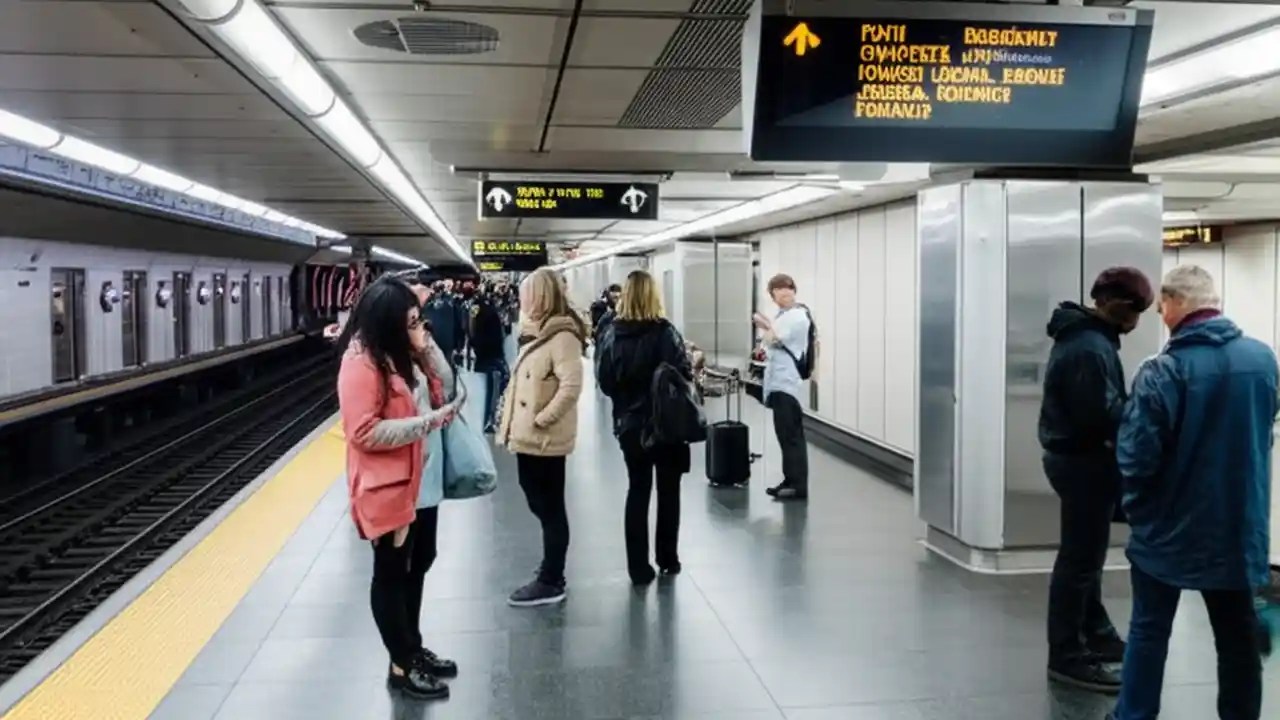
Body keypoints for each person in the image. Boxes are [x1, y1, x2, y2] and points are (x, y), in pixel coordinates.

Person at [1108, 265, 1277, 720]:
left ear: (1176, 303)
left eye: (1162, 306)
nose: (1162, 315)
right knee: (1236, 635)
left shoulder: (1164, 371)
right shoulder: (1263, 360)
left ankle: (1134, 715)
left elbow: (1137, 457)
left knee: (1149, 630)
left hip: (1168, 528)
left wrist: (1138, 512)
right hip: (1238, 526)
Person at [335, 277, 458, 701]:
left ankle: (413, 645)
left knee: (420, 560)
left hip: (418, 477)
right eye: (410, 321)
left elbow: (447, 382)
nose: (418, 327)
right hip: (388, 485)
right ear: (387, 322)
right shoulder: (361, 363)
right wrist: (423, 425)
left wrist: (425, 347)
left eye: (418, 319)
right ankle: (401, 664)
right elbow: (362, 430)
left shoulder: (404, 353)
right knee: (390, 573)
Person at [1037, 266, 1154, 693]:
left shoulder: (1086, 338)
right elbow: (1100, 415)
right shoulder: (1089, 347)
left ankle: (1097, 633)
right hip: (1083, 463)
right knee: (1079, 561)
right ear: (1120, 307)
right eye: (1137, 311)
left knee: (1087, 558)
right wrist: (1141, 409)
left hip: (1077, 460)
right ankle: (1066, 655)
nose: (1139, 321)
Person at [596, 270, 694, 584]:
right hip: (666, 425)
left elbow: (605, 382)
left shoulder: (611, 333)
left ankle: (637, 568)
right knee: (669, 492)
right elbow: (682, 374)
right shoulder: (666, 332)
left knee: (637, 490)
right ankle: (668, 558)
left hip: (629, 425)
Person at [497, 267, 587, 607]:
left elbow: (571, 386)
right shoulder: (536, 331)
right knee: (537, 500)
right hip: (529, 439)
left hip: (544, 440)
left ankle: (552, 578)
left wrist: (541, 419)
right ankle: (551, 568)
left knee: (550, 508)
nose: (520, 301)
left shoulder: (562, 336)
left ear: (540, 296)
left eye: (526, 294)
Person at [753, 273, 811, 500]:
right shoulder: (783, 315)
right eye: (779, 290)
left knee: (791, 436)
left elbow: (774, 339)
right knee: (784, 435)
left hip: (788, 386)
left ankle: (798, 485)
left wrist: (765, 325)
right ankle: (789, 479)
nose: (784, 293)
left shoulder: (798, 317)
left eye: (788, 289)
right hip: (778, 384)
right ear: (773, 295)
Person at [470, 284, 509, 433]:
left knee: (484, 391)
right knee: (492, 389)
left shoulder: (477, 308)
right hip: (491, 355)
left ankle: (486, 418)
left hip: (483, 355)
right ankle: (489, 420)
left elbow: (472, 328)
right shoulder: (489, 311)